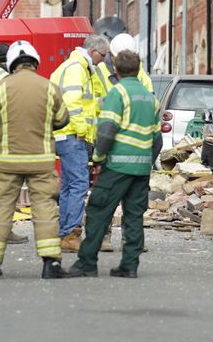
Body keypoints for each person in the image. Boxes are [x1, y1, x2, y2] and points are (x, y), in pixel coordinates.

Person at [0, 41, 71, 280]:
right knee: (45, 209)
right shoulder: (48, 87)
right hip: (41, 161)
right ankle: (51, 264)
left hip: (8, 161)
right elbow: (63, 119)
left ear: (11, 64)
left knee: (0, 209)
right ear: (35, 61)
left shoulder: (1, 87)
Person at [65, 49, 159, 279]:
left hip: (117, 167)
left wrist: (98, 157)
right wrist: (146, 161)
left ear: (115, 69)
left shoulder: (118, 93)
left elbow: (106, 131)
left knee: (98, 211)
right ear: (138, 69)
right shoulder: (150, 98)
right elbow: (157, 139)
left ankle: (87, 263)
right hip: (141, 169)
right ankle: (129, 266)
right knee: (134, 216)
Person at [49, 34, 110, 253]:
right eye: (102, 55)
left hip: (65, 135)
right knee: (78, 184)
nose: (103, 60)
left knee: (69, 185)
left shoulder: (74, 67)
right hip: (73, 135)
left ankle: (65, 232)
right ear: (93, 51)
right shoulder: (77, 69)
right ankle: (71, 234)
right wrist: (84, 132)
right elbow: (73, 104)